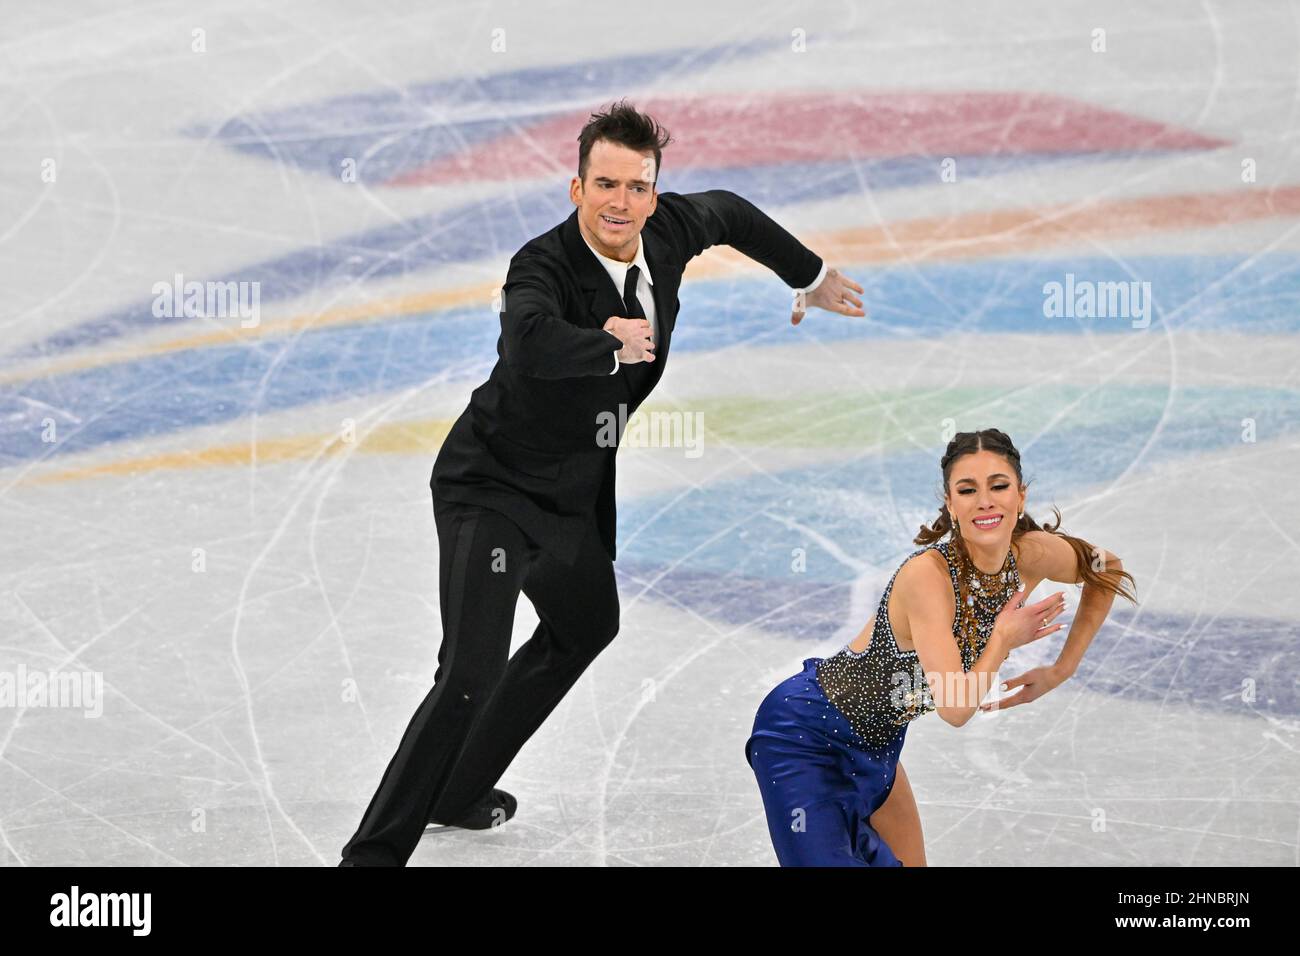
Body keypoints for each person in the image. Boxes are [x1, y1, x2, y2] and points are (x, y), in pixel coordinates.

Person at [339, 99, 867, 866]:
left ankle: (458, 790)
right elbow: (525, 341)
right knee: (469, 672)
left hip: (572, 495)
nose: (621, 203)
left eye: (637, 186)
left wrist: (809, 276)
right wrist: (604, 342)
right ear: (576, 188)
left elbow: (735, 217)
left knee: (584, 626)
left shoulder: (671, 230)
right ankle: (374, 854)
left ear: (654, 192)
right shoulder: (543, 263)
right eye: (605, 185)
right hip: (492, 485)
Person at [745, 428, 1138, 866]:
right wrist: (1003, 638)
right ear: (951, 505)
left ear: (1021, 497)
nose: (985, 501)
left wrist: (1062, 669)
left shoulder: (1032, 555)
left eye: (999, 486)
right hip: (805, 736)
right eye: (967, 490)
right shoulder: (927, 577)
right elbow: (955, 708)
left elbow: (1107, 569)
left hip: (878, 749)